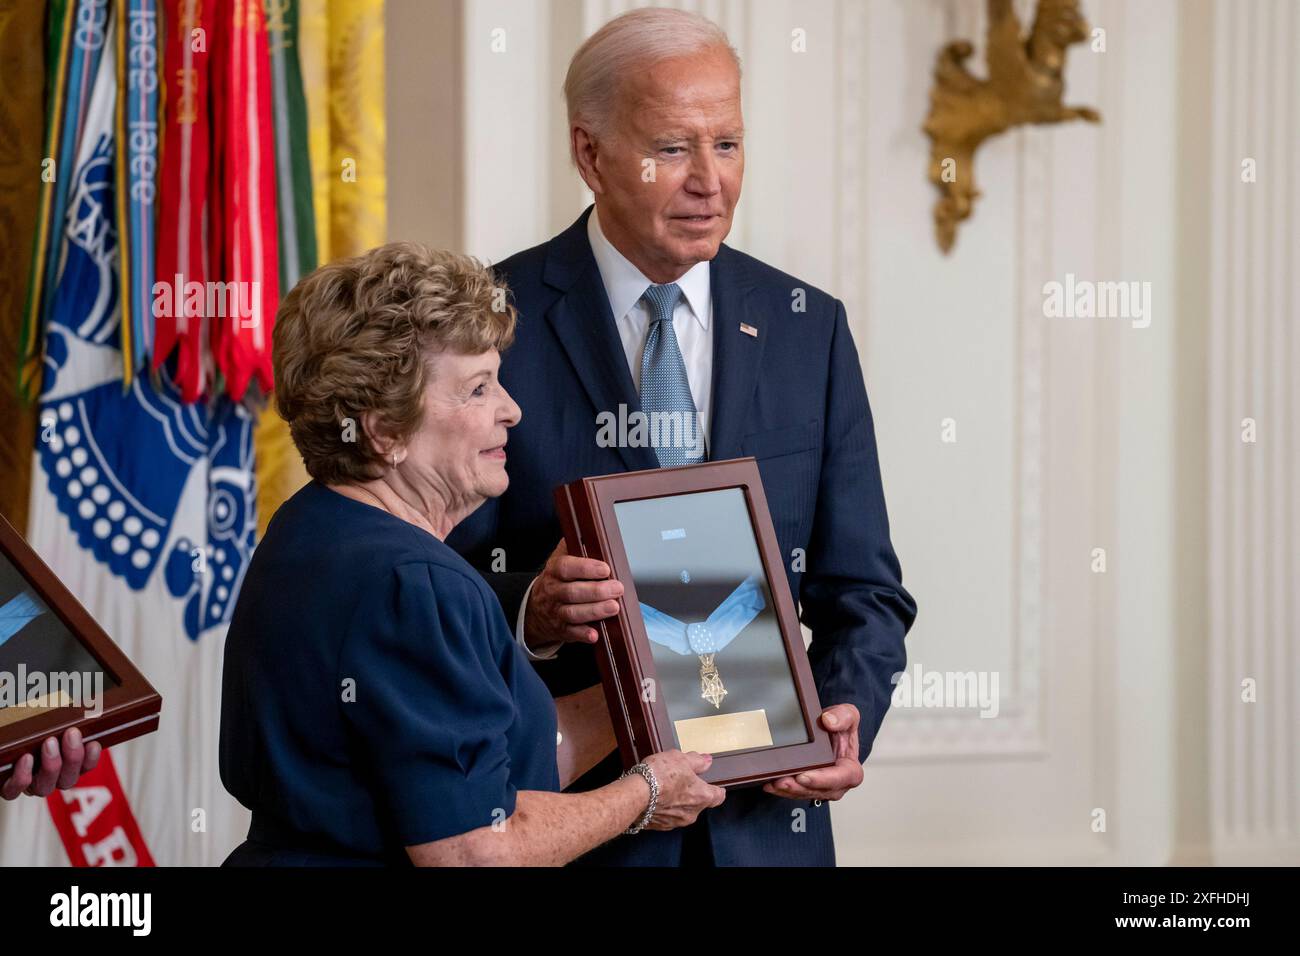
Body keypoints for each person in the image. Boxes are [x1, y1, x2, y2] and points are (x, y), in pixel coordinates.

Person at [447, 7, 917, 866]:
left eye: (728, 145)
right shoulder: (487, 321)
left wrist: (847, 717)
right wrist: (533, 614)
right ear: (589, 154)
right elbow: (429, 579)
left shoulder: (807, 327)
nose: (710, 181)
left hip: (767, 832)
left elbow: (865, 590)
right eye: (672, 149)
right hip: (579, 830)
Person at [218, 242, 723, 866]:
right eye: (479, 389)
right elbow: (473, 852)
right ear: (385, 429)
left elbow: (496, 771)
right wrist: (643, 795)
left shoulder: (308, 527)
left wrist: (657, 690)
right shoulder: (416, 584)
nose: (511, 411)